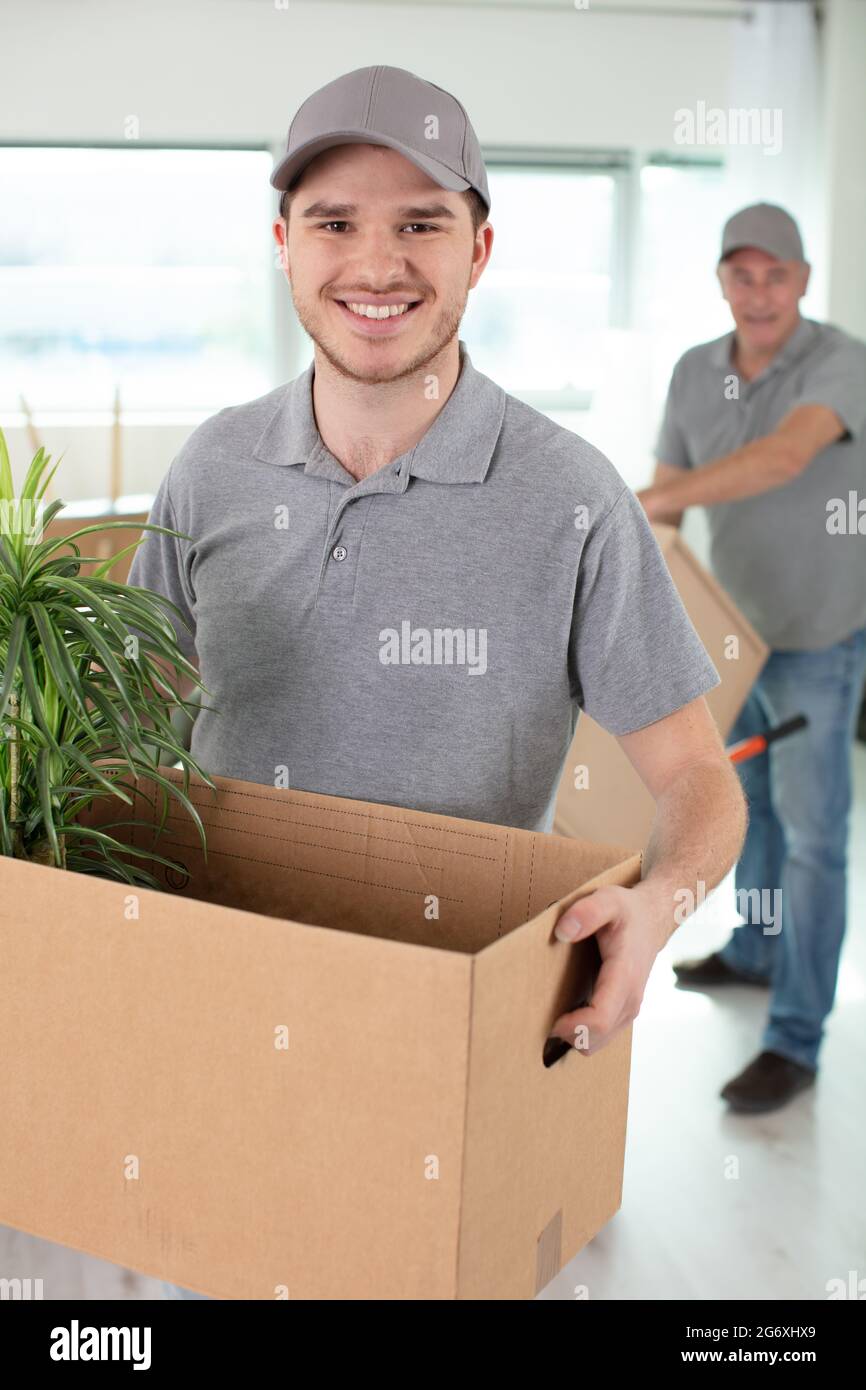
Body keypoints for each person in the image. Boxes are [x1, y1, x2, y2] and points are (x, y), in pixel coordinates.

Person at [129, 66, 746, 1299]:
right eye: (334, 223)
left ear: (480, 248)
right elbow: (129, 724)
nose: (376, 263)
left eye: (420, 221)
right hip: (222, 1018)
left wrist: (661, 900)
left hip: (454, 1028)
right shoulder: (210, 469)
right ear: (280, 246)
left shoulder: (569, 498)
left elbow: (691, 778)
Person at [638, 202, 866, 1114]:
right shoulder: (697, 371)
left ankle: (796, 1037)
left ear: (804, 280)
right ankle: (756, 950)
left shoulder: (841, 363)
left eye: (777, 274)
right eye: (743, 274)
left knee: (815, 841)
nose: (760, 292)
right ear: (723, 282)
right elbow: (664, 519)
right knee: (752, 812)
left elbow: (779, 460)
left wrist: (647, 494)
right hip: (727, 648)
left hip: (817, 641)